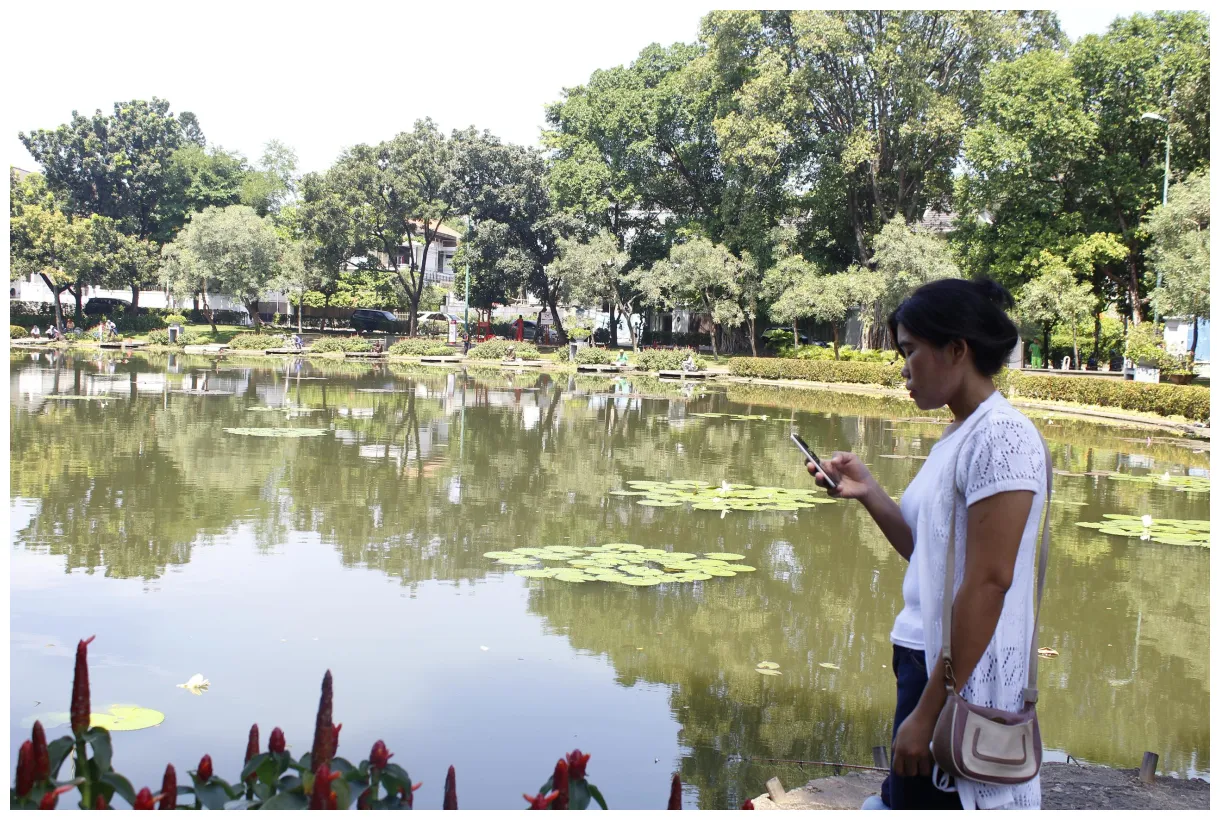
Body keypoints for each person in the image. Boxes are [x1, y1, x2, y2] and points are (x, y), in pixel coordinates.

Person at [807, 278, 1047, 810]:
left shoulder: (1002, 437)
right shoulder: (960, 434)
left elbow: (989, 582)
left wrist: (931, 707)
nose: (904, 369)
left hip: (959, 679)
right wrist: (868, 492)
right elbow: (932, 559)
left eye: (910, 350)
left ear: (957, 350)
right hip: (926, 661)